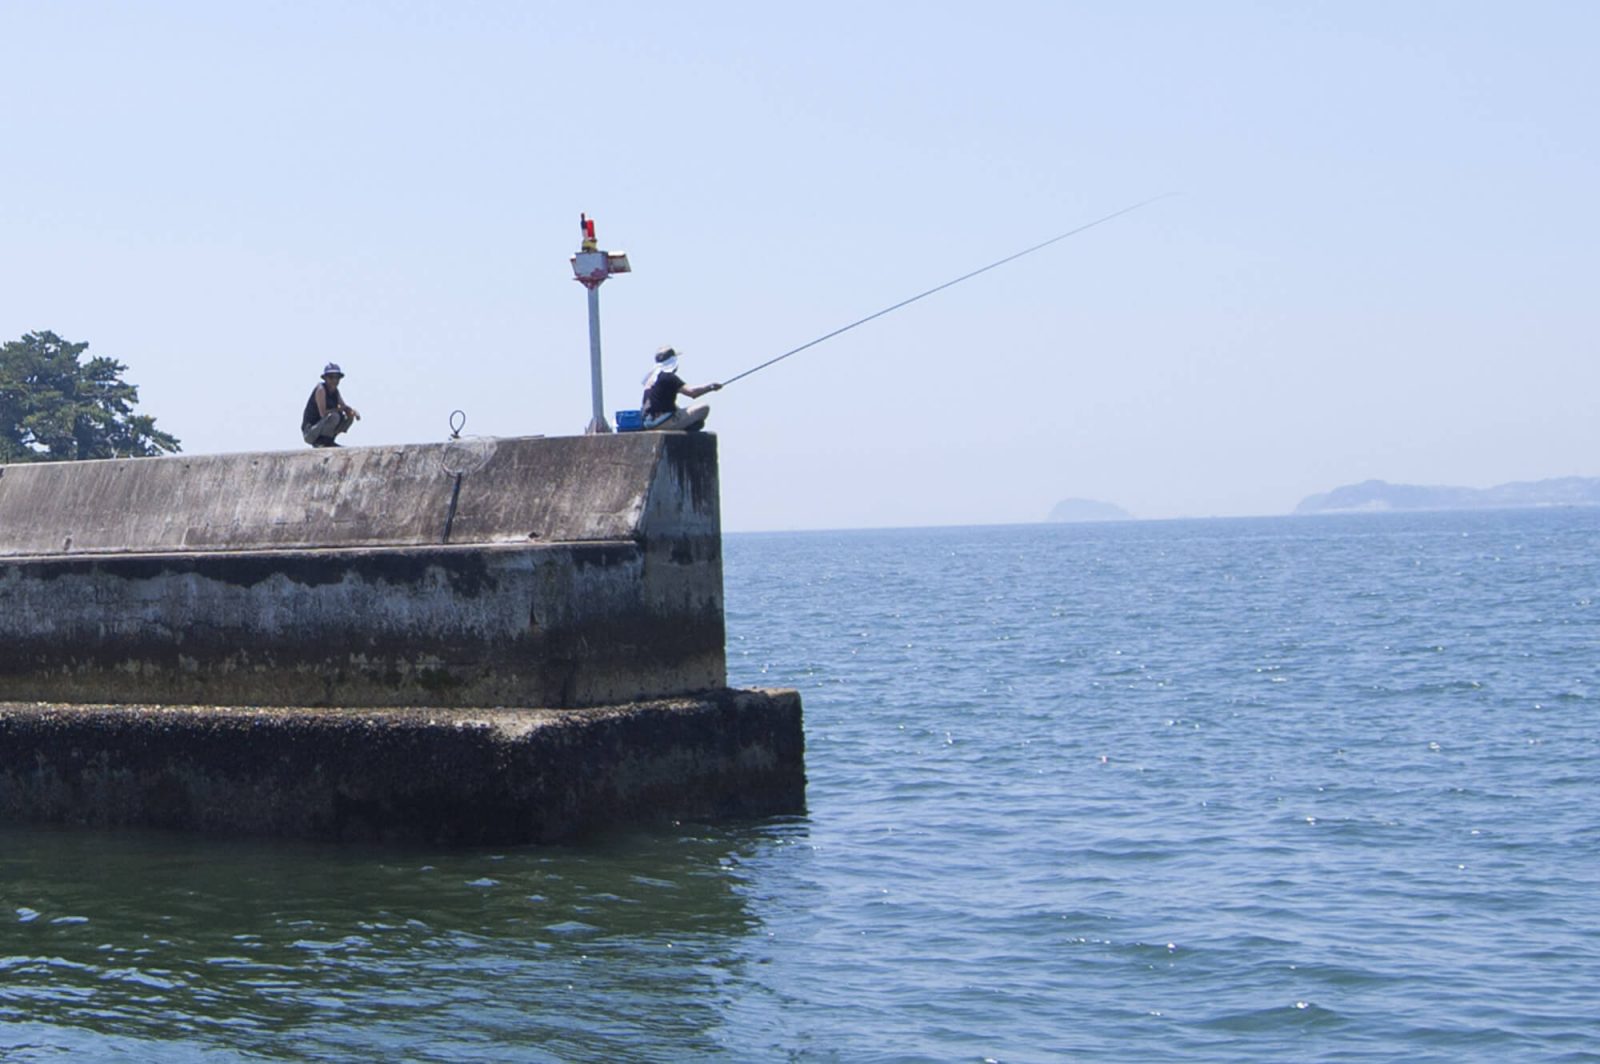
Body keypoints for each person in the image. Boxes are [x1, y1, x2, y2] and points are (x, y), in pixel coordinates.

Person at [640, 347, 721, 431]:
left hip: (649, 422)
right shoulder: (669, 377)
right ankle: (684, 428)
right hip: (663, 422)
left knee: (678, 408)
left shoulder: (651, 379)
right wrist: (711, 387)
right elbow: (692, 393)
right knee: (704, 408)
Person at [301, 362, 361, 447]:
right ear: (325, 378)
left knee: (348, 416)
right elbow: (323, 414)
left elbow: (344, 407)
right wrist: (339, 410)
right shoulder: (321, 390)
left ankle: (329, 441)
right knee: (334, 416)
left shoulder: (335, 392)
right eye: (331, 377)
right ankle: (321, 442)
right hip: (310, 432)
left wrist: (353, 412)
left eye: (337, 378)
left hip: (322, 428)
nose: (334, 380)